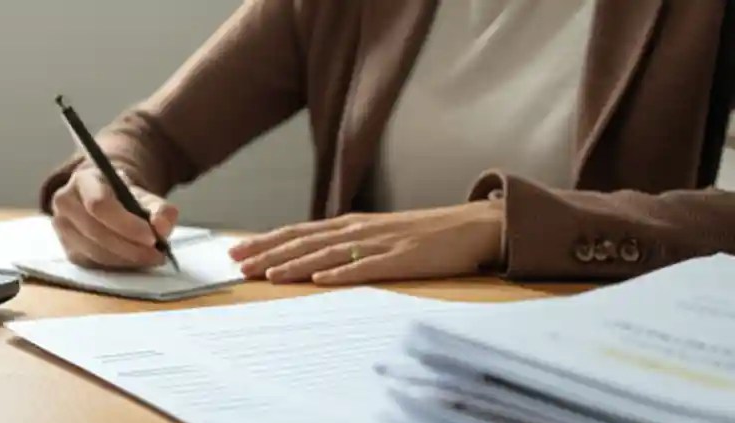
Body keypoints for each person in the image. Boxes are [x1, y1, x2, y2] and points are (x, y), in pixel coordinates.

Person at [40, 0, 735, 285]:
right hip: (363, 376)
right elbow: (152, 135)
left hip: (615, 392)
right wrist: (105, 188)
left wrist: (503, 224)